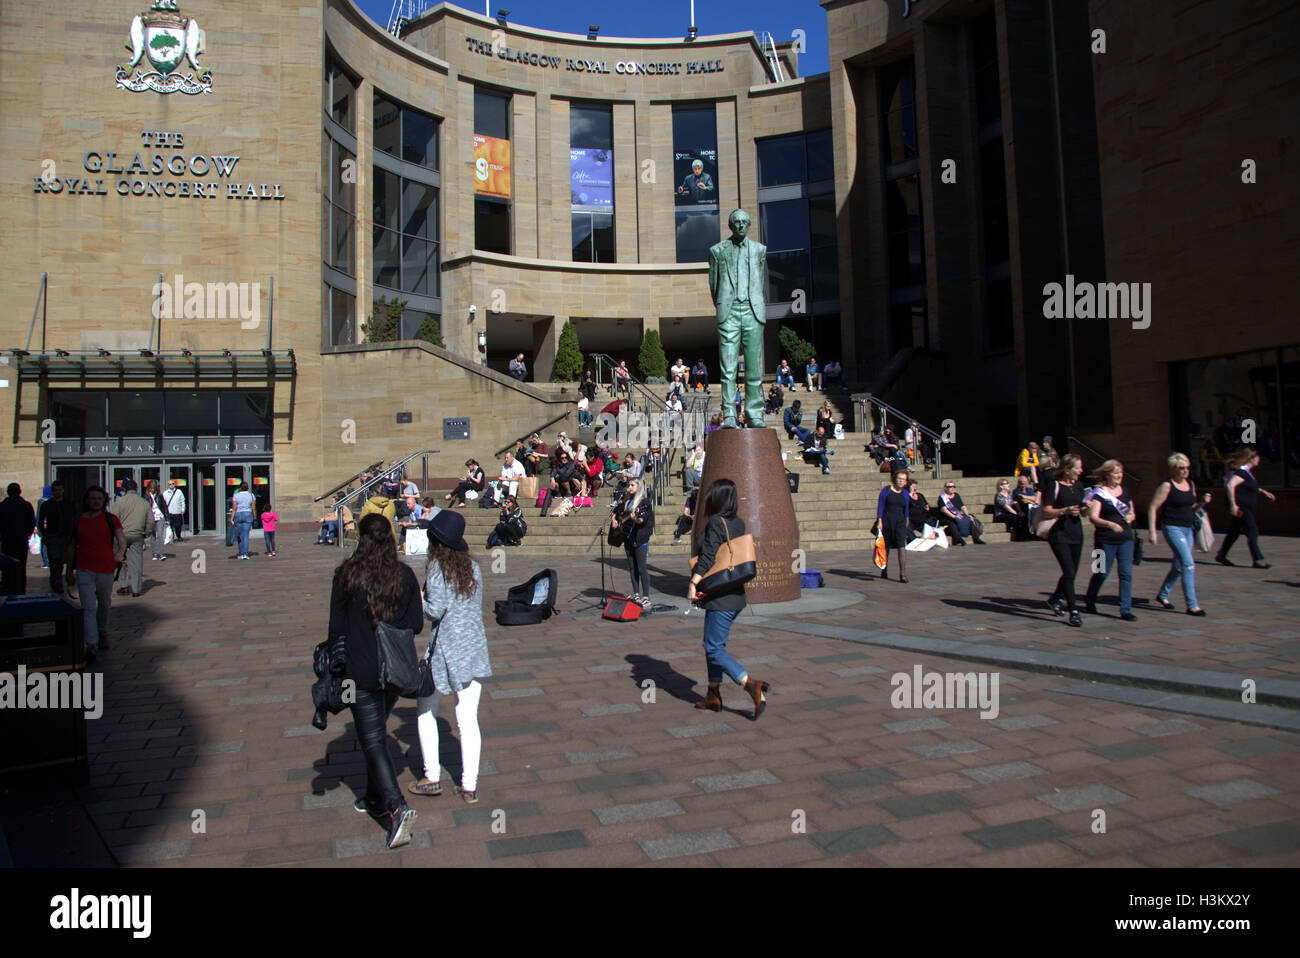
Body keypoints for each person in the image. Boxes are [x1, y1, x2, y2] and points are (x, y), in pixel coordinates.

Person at [330, 513, 423, 848]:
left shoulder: (347, 574)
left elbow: (336, 629)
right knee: (376, 735)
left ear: (361, 538)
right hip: (395, 670)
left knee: (371, 739)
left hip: (362, 670)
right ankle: (374, 799)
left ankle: (397, 808)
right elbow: (416, 624)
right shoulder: (404, 574)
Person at [409, 509, 493, 807]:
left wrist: (418, 599)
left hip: (446, 649)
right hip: (473, 646)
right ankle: (469, 786)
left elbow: (435, 610)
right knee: (468, 719)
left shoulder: (436, 568)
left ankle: (432, 776)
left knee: (425, 709)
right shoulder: (473, 567)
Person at [688, 478, 769, 719]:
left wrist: (693, 583)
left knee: (713, 647)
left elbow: (709, 556)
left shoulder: (715, 522)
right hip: (734, 593)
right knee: (714, 644)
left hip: (720, 597)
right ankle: (713, 694)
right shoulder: (737, 522)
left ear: (716, 498)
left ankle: (749, 684)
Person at [708, 209, 768, 427]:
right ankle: (730, 414)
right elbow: (714, 284)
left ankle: (754, 413)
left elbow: (760, 280)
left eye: (744, 222)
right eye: (737, 222)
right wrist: (724, 305)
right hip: (730, 312)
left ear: (749, 225)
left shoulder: (759, 250)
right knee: (728, 368)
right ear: (730, 226)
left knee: (753, 368)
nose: (741, 225)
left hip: (752, 311)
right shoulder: (717, 251)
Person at [64, 486, 126, 663]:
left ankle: (102, 631)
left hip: (106, 568)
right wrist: (68, 570)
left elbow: (121, 540)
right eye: (92, 498)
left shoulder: (110, 519)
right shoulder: (77, 520)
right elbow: (71, 546)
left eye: (99, 498)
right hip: (84, 569)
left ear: (104, 500)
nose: (96, 501)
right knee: (88, 607)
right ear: (86, 500)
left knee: (104, 603)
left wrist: (120, 553)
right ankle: (91, 644)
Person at [1148, 453, 1209, 616]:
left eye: (1188, 468)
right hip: (1172, 527)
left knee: (1179, 566)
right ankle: (1192, 605)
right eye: (1181, 468)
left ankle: (1163, 594)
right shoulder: (1167, 485)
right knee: (1188, 563)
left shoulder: (1191, 484)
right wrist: (1152, 531)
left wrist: (1202, 503)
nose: (1185, 471)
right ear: (1173, 469)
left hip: (1188, 528)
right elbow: (1153, 507)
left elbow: (1192, 508)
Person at [1083, 459, 1138, 621]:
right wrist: (1110, 524)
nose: (1119, 475)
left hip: (1126, 539)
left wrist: (1130, 516)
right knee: (1100, 572)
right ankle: (1090, 598)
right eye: (1116, 473)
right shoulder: (1099, 493)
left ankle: (1125, 609)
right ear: (1107, 475)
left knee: (1126, 574)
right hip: (1104, 540)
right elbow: (1093, 518)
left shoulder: (1125, 491)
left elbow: (1132, 511)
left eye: (1121, 472)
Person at [1041, 454, 1086, 626]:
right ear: (1067, 470)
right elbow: (1046, 511)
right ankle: (1073, 611)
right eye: (1077, 468)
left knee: (1071, 573)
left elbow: (1082, 511)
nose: (1080, 471)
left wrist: (1086, 509)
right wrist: (1064, 511)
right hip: (1059, 534)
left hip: (1076, 533)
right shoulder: (1054, 486)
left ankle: (1054, 599)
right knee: (1069, 572)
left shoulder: (1079, 486)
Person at [1216, 446, 1276, 569]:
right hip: (1241, 508)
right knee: (1252, 531)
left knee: (1234, 531)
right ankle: (1258, 559)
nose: (1259, 459)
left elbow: (1248, 486)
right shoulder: (1242, 472)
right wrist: (1233, 505)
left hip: (1243, 507)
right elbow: (1230, 485)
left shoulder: (1246, 473)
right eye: (1257, 457)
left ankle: (1222, 554)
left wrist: (1263, 492)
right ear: (1251, 458)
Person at [614, 477, 654, 606]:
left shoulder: (644, 502)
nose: (629, 487)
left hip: (640, 538)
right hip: (628, 538)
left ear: (639, 487)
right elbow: (617, 511)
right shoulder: (628, 501)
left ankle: (646, 596)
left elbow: (642, 520)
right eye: (629, 485)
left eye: (632, 485)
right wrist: (615, 520)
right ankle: (636, 593)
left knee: (641, 568)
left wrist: (635, 518)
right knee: (632, 568)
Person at [110, 479, 150, 594]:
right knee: (136, 562)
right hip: (137, 535)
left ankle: (123, 585)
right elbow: (150, 521)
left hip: (121, 535)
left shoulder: (119, 502)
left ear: (125, 489)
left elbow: (113, 519)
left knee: (121, 560)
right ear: (136, 489)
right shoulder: (144, 502)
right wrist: (146, 533)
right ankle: (136, 589)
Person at [37, 480, 76, 595]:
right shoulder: (47, 504)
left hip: (66, 536)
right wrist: (44, 534)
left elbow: (74, 519)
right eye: (55, 490)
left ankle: (59, 581)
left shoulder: (68, 504)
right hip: (52, 535)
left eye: (59, 490)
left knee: (63, 560)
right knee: (54, 560)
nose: (57, 492)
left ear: (63, 490)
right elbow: (40, 520)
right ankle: (56, 582)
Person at [0, 483, 37, 596]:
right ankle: (20, 590)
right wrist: (26, 534)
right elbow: (31, 523)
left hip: (7, 540)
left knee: (7, 568)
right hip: (21, 540)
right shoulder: (26, 505)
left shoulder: (2, 506)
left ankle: (7, 589)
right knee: (21, 567)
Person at [875, 468, 911, 582]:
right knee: (887, 547)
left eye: (903, 479)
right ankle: (884, 569)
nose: (901, 481)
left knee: (901, 546)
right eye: (899, 478)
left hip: (900, 522)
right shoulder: (886, 490)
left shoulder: (905, 493)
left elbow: (906, 510)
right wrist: (879, 521)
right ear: (894, 479)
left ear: (906, 482)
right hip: (887, 521)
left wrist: (907, 521)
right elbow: (881, 506)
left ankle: (903, 574)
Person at [936, 481, 985, 545]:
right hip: (947, 517)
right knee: (952, 524)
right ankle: (958, 539)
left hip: (957, 515)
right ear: (945, 488)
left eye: (954, 486)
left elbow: (963, 507)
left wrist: (967, 515)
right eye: (950, 487)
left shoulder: (956, 495)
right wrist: (954, 516)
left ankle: (976, 538)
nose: (952, 488)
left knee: (970, 519)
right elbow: (944, 510)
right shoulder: (942, 497)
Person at [144, 480, 169, 562]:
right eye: (151, 488)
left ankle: (160, 553)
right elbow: (144, 508)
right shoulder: (146, 496)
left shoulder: (159, 495)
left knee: (160, 535)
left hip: (160, 517)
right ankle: (154, 553)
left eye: (153, 488)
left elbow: (164, 507)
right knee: (152, 536)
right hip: (151, 518)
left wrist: (167, 518)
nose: (152, 490)